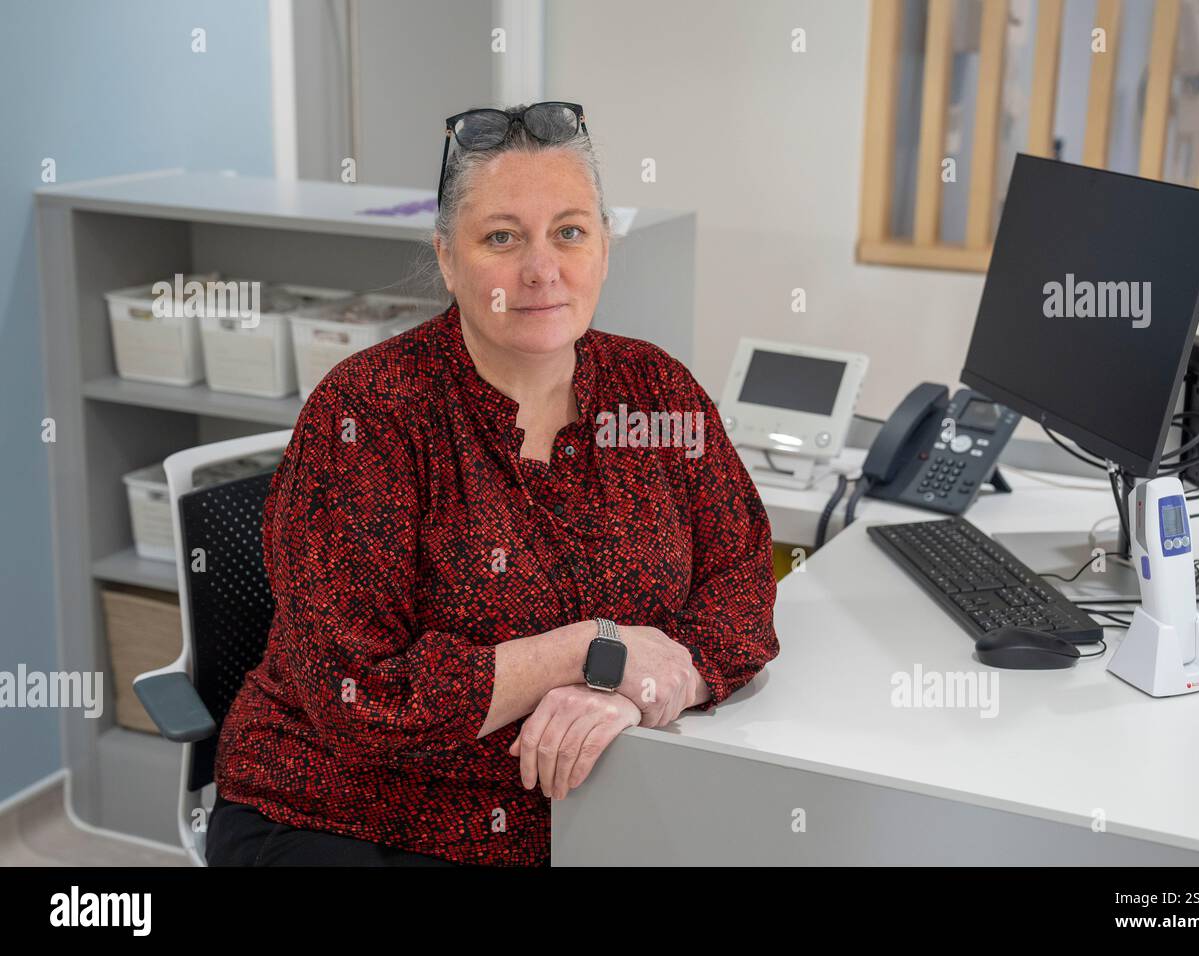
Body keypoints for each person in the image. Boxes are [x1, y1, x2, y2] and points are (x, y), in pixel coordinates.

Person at [206, 102, 779, 867]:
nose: (541, 270)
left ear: (604, 247)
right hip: (343, 811)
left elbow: (743, 583)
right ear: (447, 258)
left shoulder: (657, 393)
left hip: (587, 809)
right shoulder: (368, 416)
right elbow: (360, 701)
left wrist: (661, 682)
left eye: (569, 231)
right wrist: (590, 650)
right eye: (502, 237)